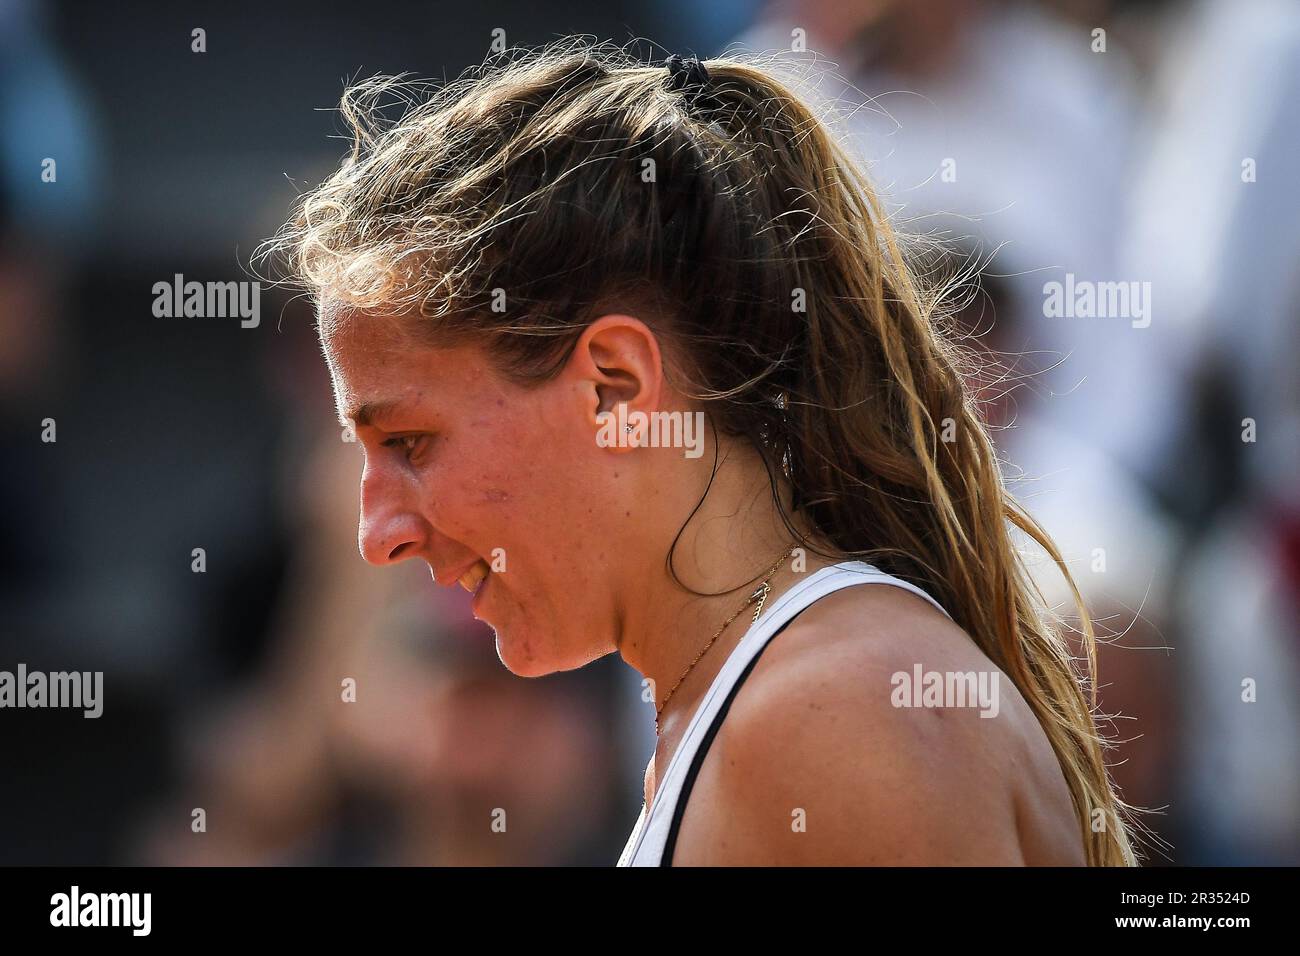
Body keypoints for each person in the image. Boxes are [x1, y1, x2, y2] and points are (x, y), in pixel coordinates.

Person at [263, 40, 1137, 865]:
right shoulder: (777, 698)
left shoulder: (834, 715)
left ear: (615, 388)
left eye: (410, 441)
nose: (378, 534)